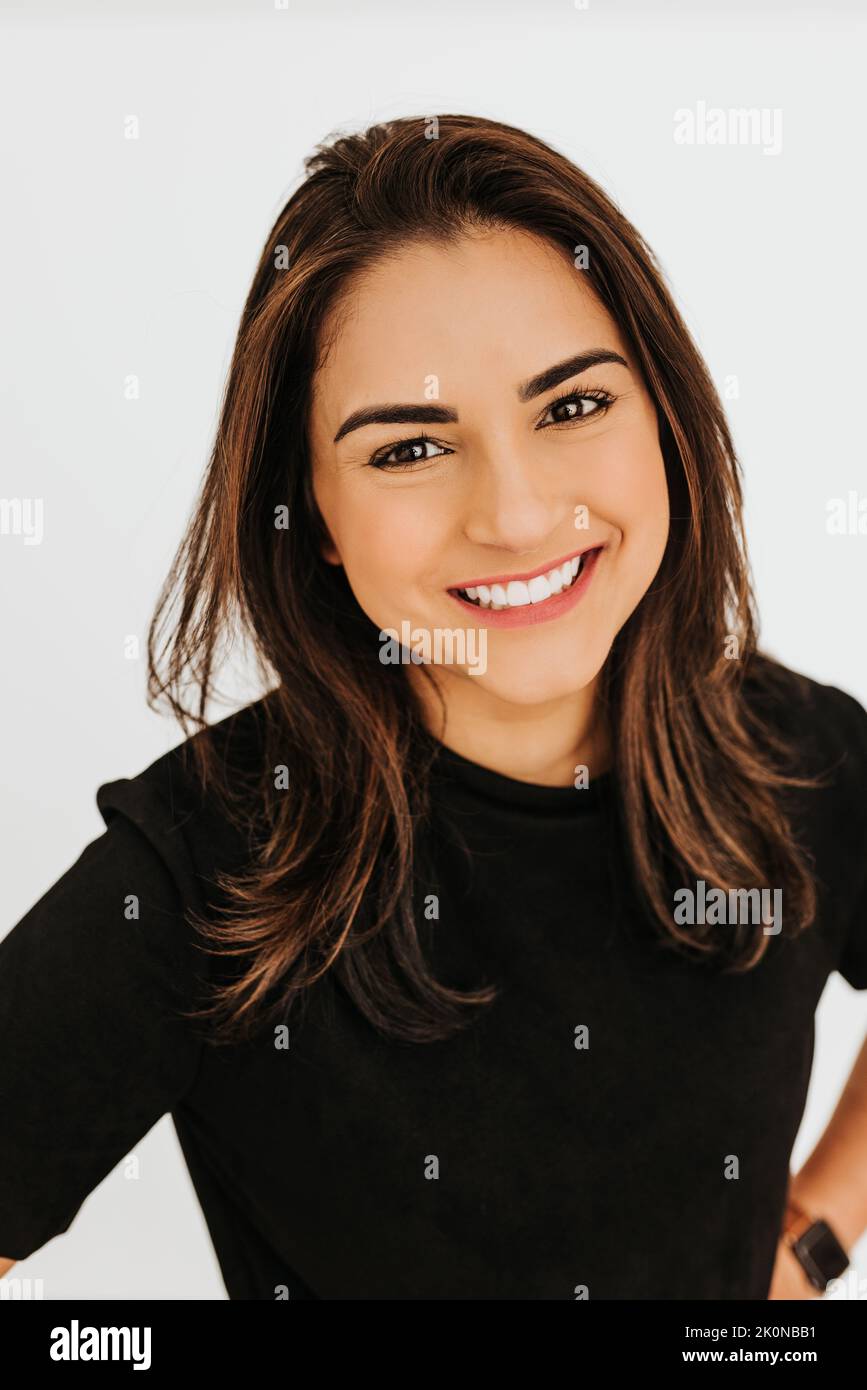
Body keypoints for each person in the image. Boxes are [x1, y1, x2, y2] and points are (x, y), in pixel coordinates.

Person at [2, 113, 866, 1301]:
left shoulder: (809, 759)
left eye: (571, 408)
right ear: (307, 512)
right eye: (409, 448)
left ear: (665, 416)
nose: (514, 515)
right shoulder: (205, 873)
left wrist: (812, 1238)